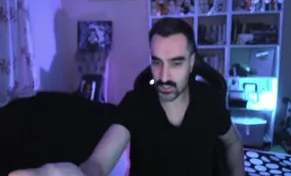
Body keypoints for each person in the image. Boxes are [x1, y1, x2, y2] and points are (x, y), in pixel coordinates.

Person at [9, 18, 245, 176]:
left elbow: (233, 142)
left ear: (192, 62)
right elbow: (99, 163)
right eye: (157, 62)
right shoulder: (136, 103)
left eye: (176, 63)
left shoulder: (209, 100)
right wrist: (76, 173)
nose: (163, 76)